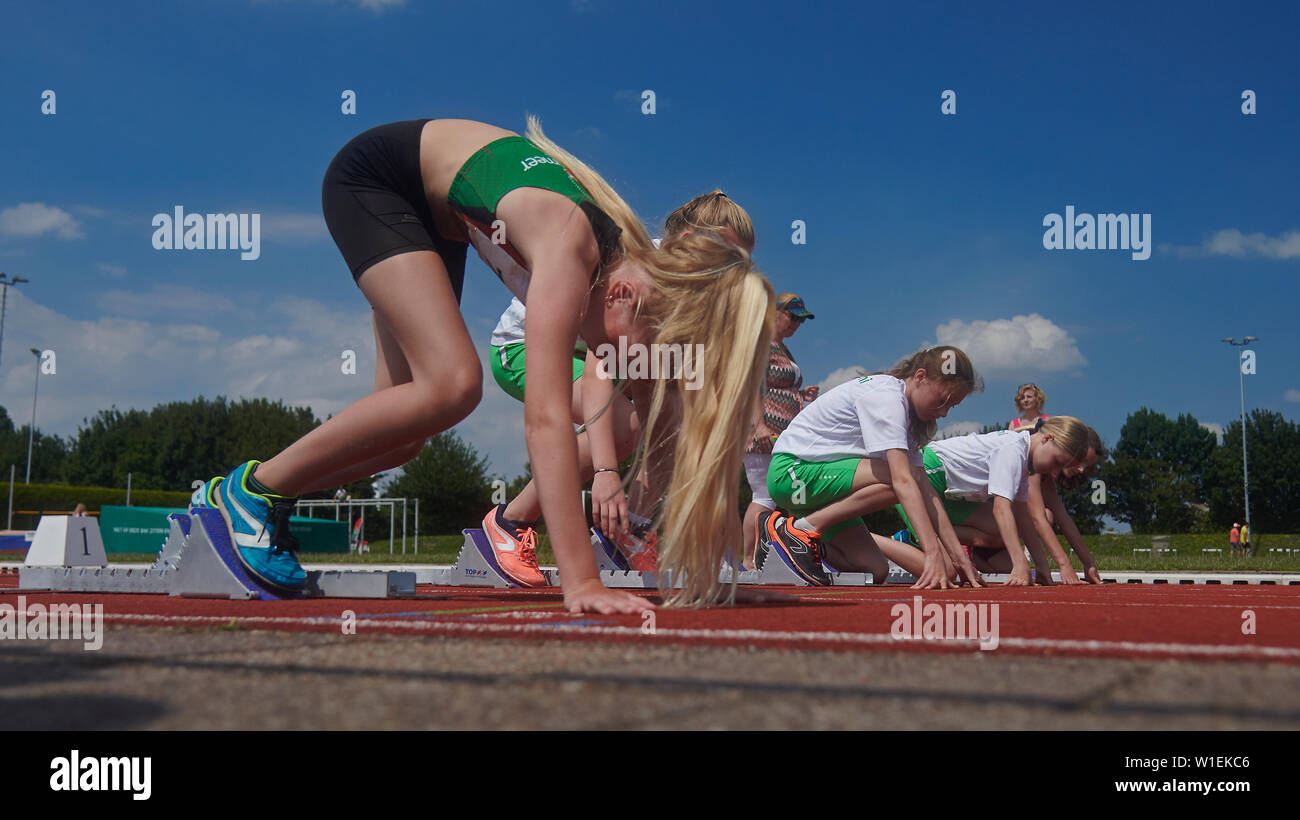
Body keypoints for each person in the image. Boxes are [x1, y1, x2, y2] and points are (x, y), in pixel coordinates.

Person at [191, 117, 774, 613]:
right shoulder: (573, 247)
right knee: (452, 385)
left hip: (427, 216)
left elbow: (686, 428)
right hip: (377, 183)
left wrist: (713, 574)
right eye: (629, 350)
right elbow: (546, 420)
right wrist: (582, 581)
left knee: (401, 439)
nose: (616, 360)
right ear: (629, 298)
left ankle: (244, 493)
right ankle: (253, 492)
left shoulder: (626, 286)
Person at [483, 191, 756, 579]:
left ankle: (631, 532)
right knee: (622, 428)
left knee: (672, 425)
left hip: (601, 352)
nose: (734, 272)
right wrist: (607, 473)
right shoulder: (650, 274)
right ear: (687, 241)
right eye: (727, 257)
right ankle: (510, 521)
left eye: (742, 262)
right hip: (525, 346)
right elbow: (599, 369)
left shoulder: (704, 292)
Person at [757, 346, 985, 589]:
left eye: (952, 407)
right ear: (920, 377)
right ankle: (802, 530)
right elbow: (905, 481)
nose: (943, 413)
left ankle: (794, 533)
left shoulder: (909, 418)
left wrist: (958, 558)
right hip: (791, 474)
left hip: (816, 491)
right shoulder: (887, 397)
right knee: (901, 476)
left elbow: (927, 490)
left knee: (874, 569)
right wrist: (932, 554)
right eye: (942, 400)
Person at [890, 417, 1098, 586]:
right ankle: (880, 539)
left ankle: (921, 536)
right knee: (949, 570)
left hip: (944, 495)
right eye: (1057, 462)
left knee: (1007, 528)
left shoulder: (1024, 462)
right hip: (920, 479)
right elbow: (1001, 508)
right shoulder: (1013, 450)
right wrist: (1019, 563)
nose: (1054, 470)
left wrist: (1043, 568)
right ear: (1047, 439)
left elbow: (1024, 517)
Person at [741, 293, 818, 570]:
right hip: (764, 432)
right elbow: (752, 386)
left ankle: (773, 554)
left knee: (783, 496)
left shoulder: (781, 348)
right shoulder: (761, 344)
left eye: (802, 320)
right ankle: (748, 559)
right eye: (793, 317)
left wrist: (800, 393)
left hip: (783, 433)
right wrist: (759, 425)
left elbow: (775, 386)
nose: (797, 324)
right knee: (764, 495)